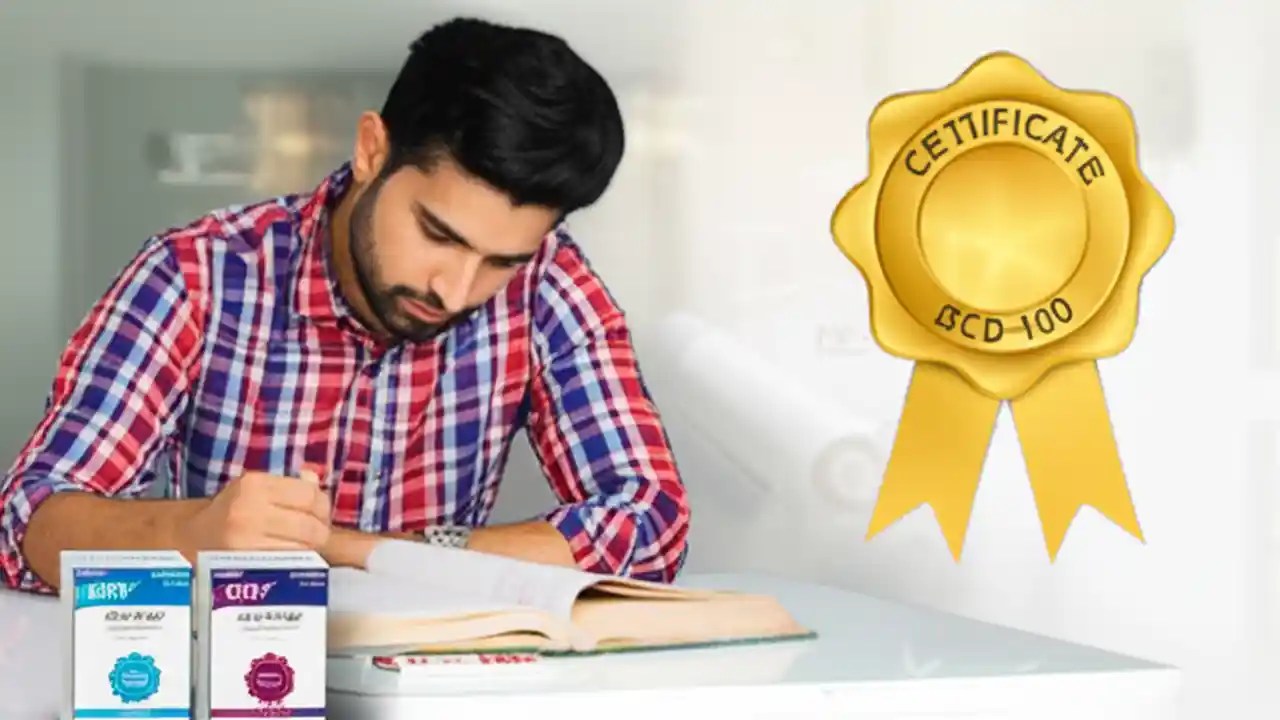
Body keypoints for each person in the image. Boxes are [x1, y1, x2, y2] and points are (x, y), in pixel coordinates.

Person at [0, 17, 690, 594]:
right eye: (436, 233)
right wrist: (190, 535)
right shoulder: (198, 274)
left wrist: (360, 550)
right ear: (371, 151)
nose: (454, 289)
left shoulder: (548, 284)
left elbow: (650, 521)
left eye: (501, 261)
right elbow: (30, 519)